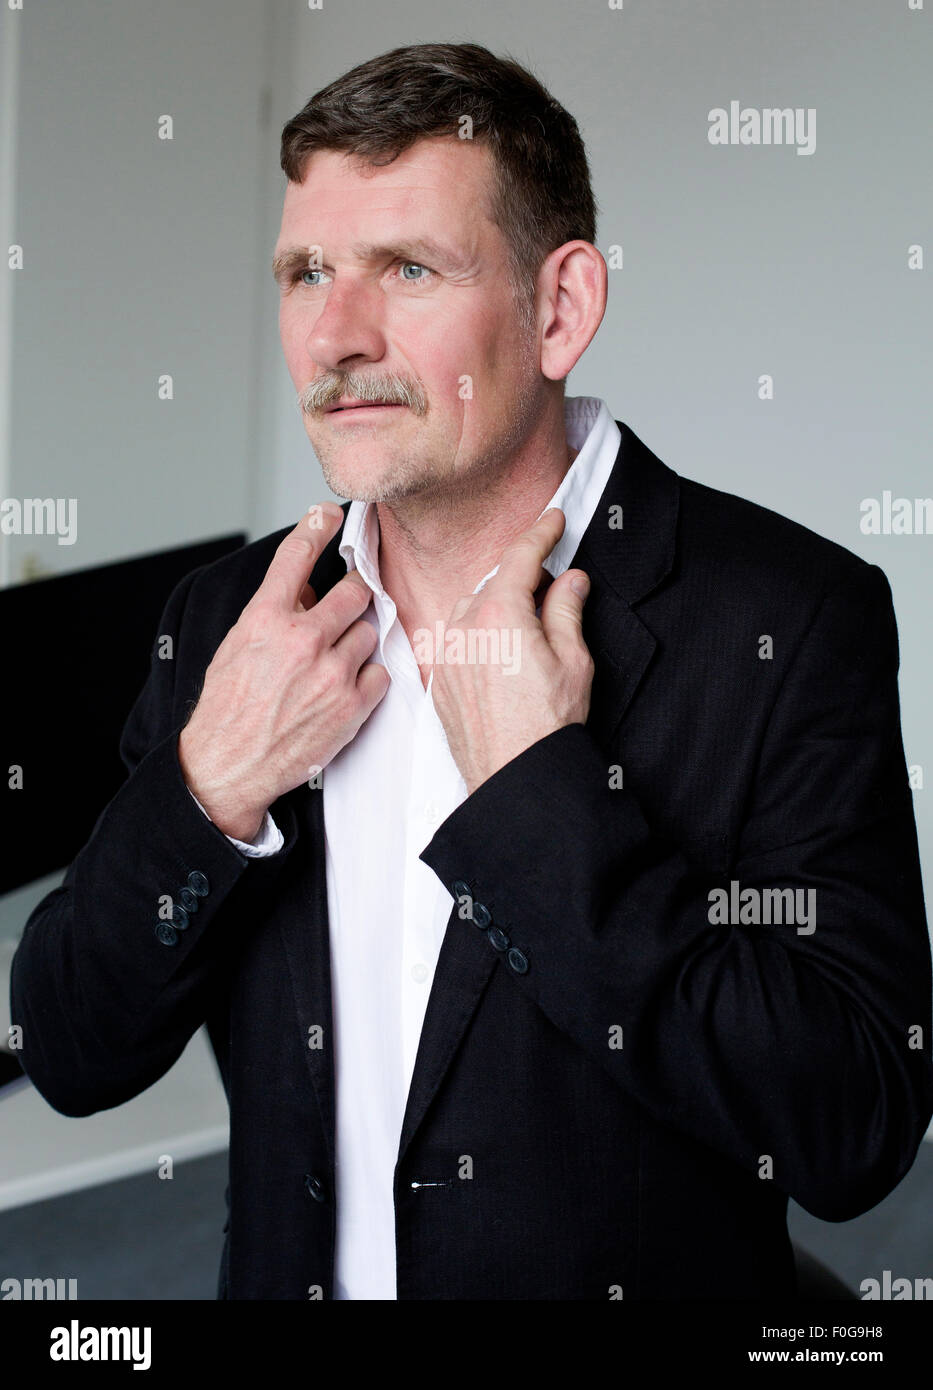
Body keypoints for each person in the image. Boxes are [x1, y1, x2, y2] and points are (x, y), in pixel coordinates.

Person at [11, 42, 932, 1300]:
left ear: (559, 309)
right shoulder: (230, 620)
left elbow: (855, 1128)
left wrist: (544, 798)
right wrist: (208, 789)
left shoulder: (788, 616)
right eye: (307, 273)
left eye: (407, 268)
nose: (335, 334)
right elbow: (68, 1048)